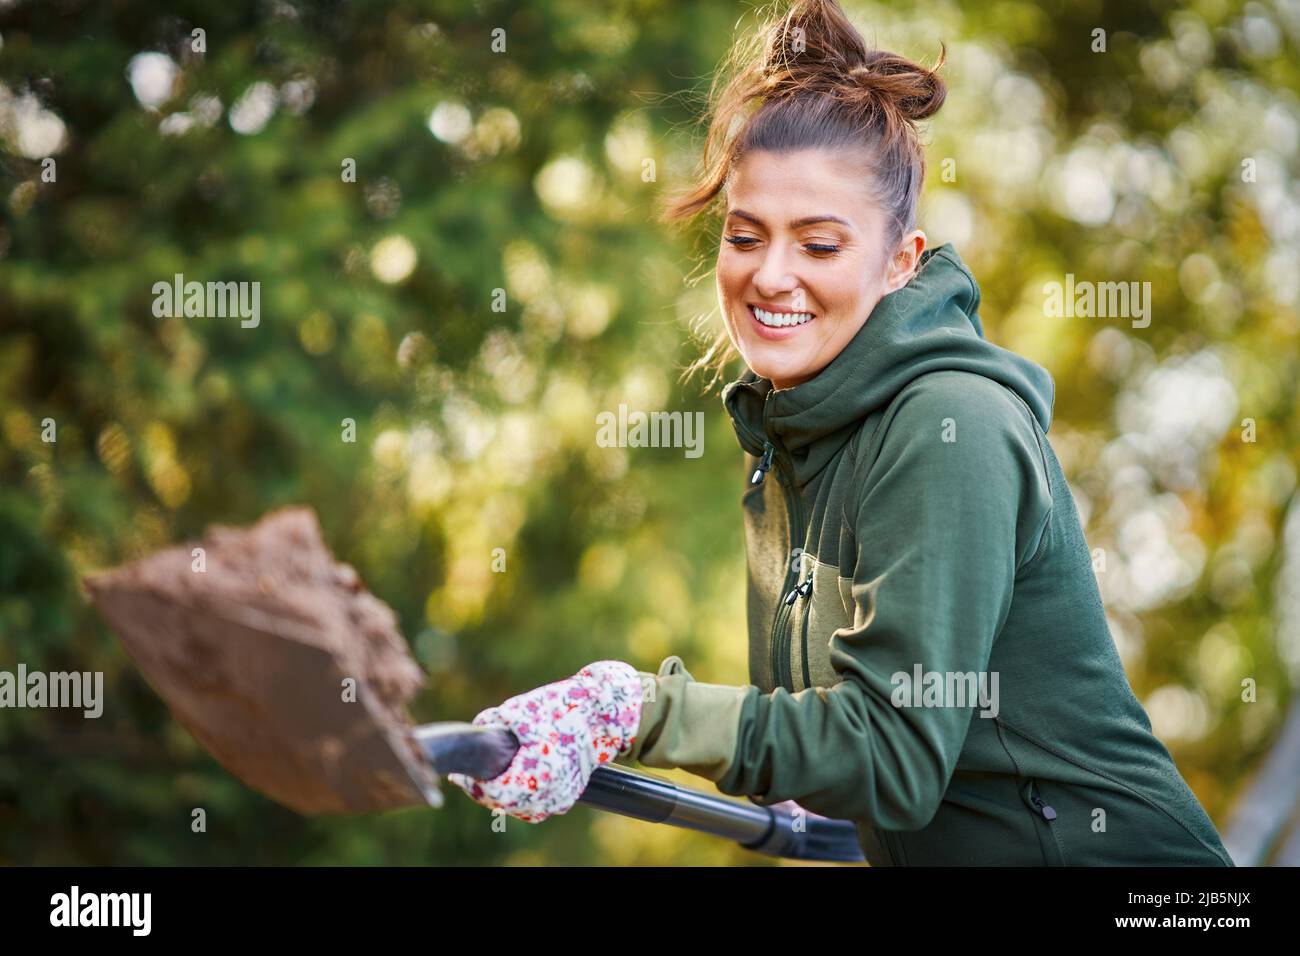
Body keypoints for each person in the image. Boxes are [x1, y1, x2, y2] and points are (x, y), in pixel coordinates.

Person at [448, 0, 1234, 866]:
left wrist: (633, 712)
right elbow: (857, 749)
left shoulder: (951, 427)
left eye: (820, 246)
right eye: (745, 236)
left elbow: (892, 755)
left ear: (901, 260)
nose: (771, 274)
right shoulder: (793, 440)